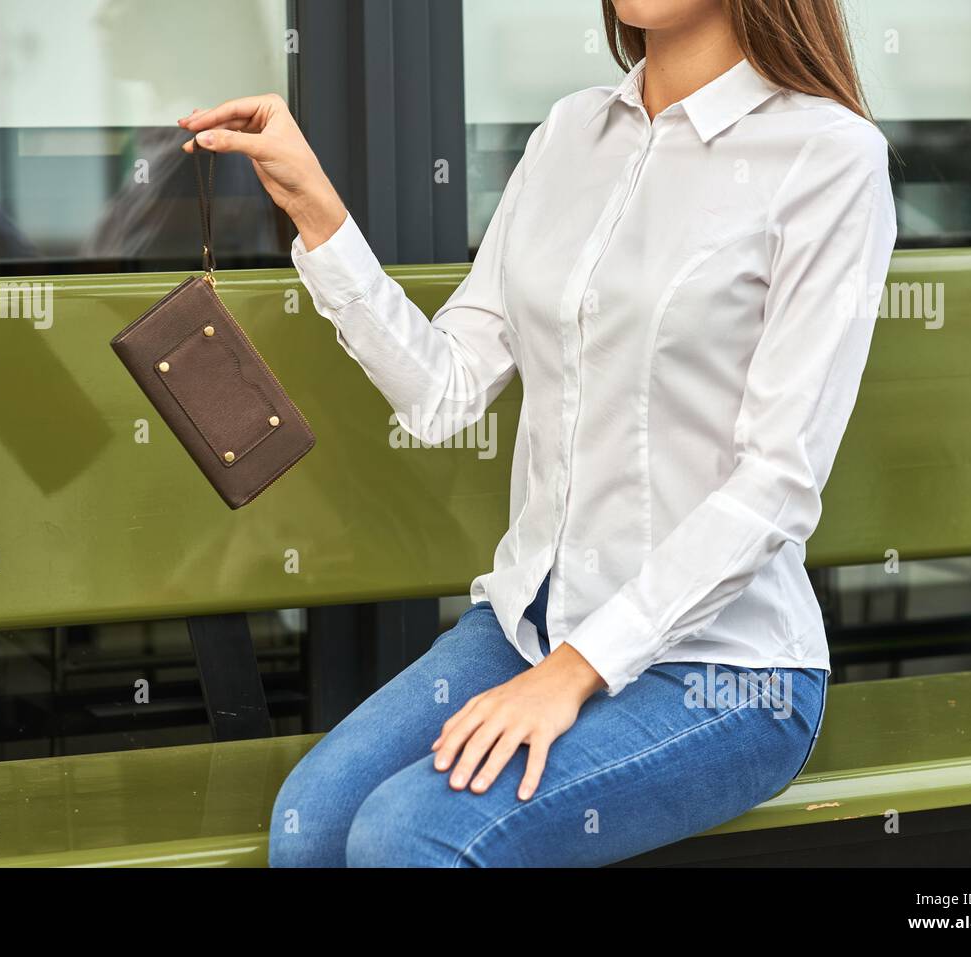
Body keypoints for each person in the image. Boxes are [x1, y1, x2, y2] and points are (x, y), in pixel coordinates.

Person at [180, 0, 897, 867]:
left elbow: (777, 480)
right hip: (528, 626)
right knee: (311, 825)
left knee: (407, 837)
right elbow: (443, 390)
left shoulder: (829, 158)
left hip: (727, 670)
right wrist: (319, 214)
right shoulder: (569, 134)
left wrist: (577, 671)